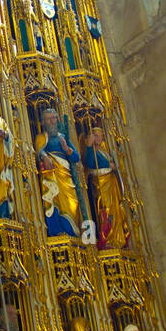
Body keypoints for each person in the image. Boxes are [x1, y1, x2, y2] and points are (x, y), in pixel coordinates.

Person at [82, 124, 130, 249]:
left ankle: (118, 239)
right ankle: (107, 238)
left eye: (100, 136)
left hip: (111, 183)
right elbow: (91, 162)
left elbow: (113, 165)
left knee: (116, 210)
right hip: (101, 185)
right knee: (106, 210)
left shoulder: (103, 152)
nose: (98, 138)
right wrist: (88, 146)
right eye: (95, 136)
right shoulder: (90, 151)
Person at [35, 107, 82, 237]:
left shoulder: (63, 137)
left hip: (65, 175)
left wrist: (67, 149)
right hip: (51, 175)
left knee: (72, 205)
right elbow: (39, 151)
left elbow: (76, 157)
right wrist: (44, 156)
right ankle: (57, 231)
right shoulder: (41, 137)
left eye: (53, 118)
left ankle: (72, 233)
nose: (52, 122)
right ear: (43, 122)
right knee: (53, 200)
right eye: (48, 119)